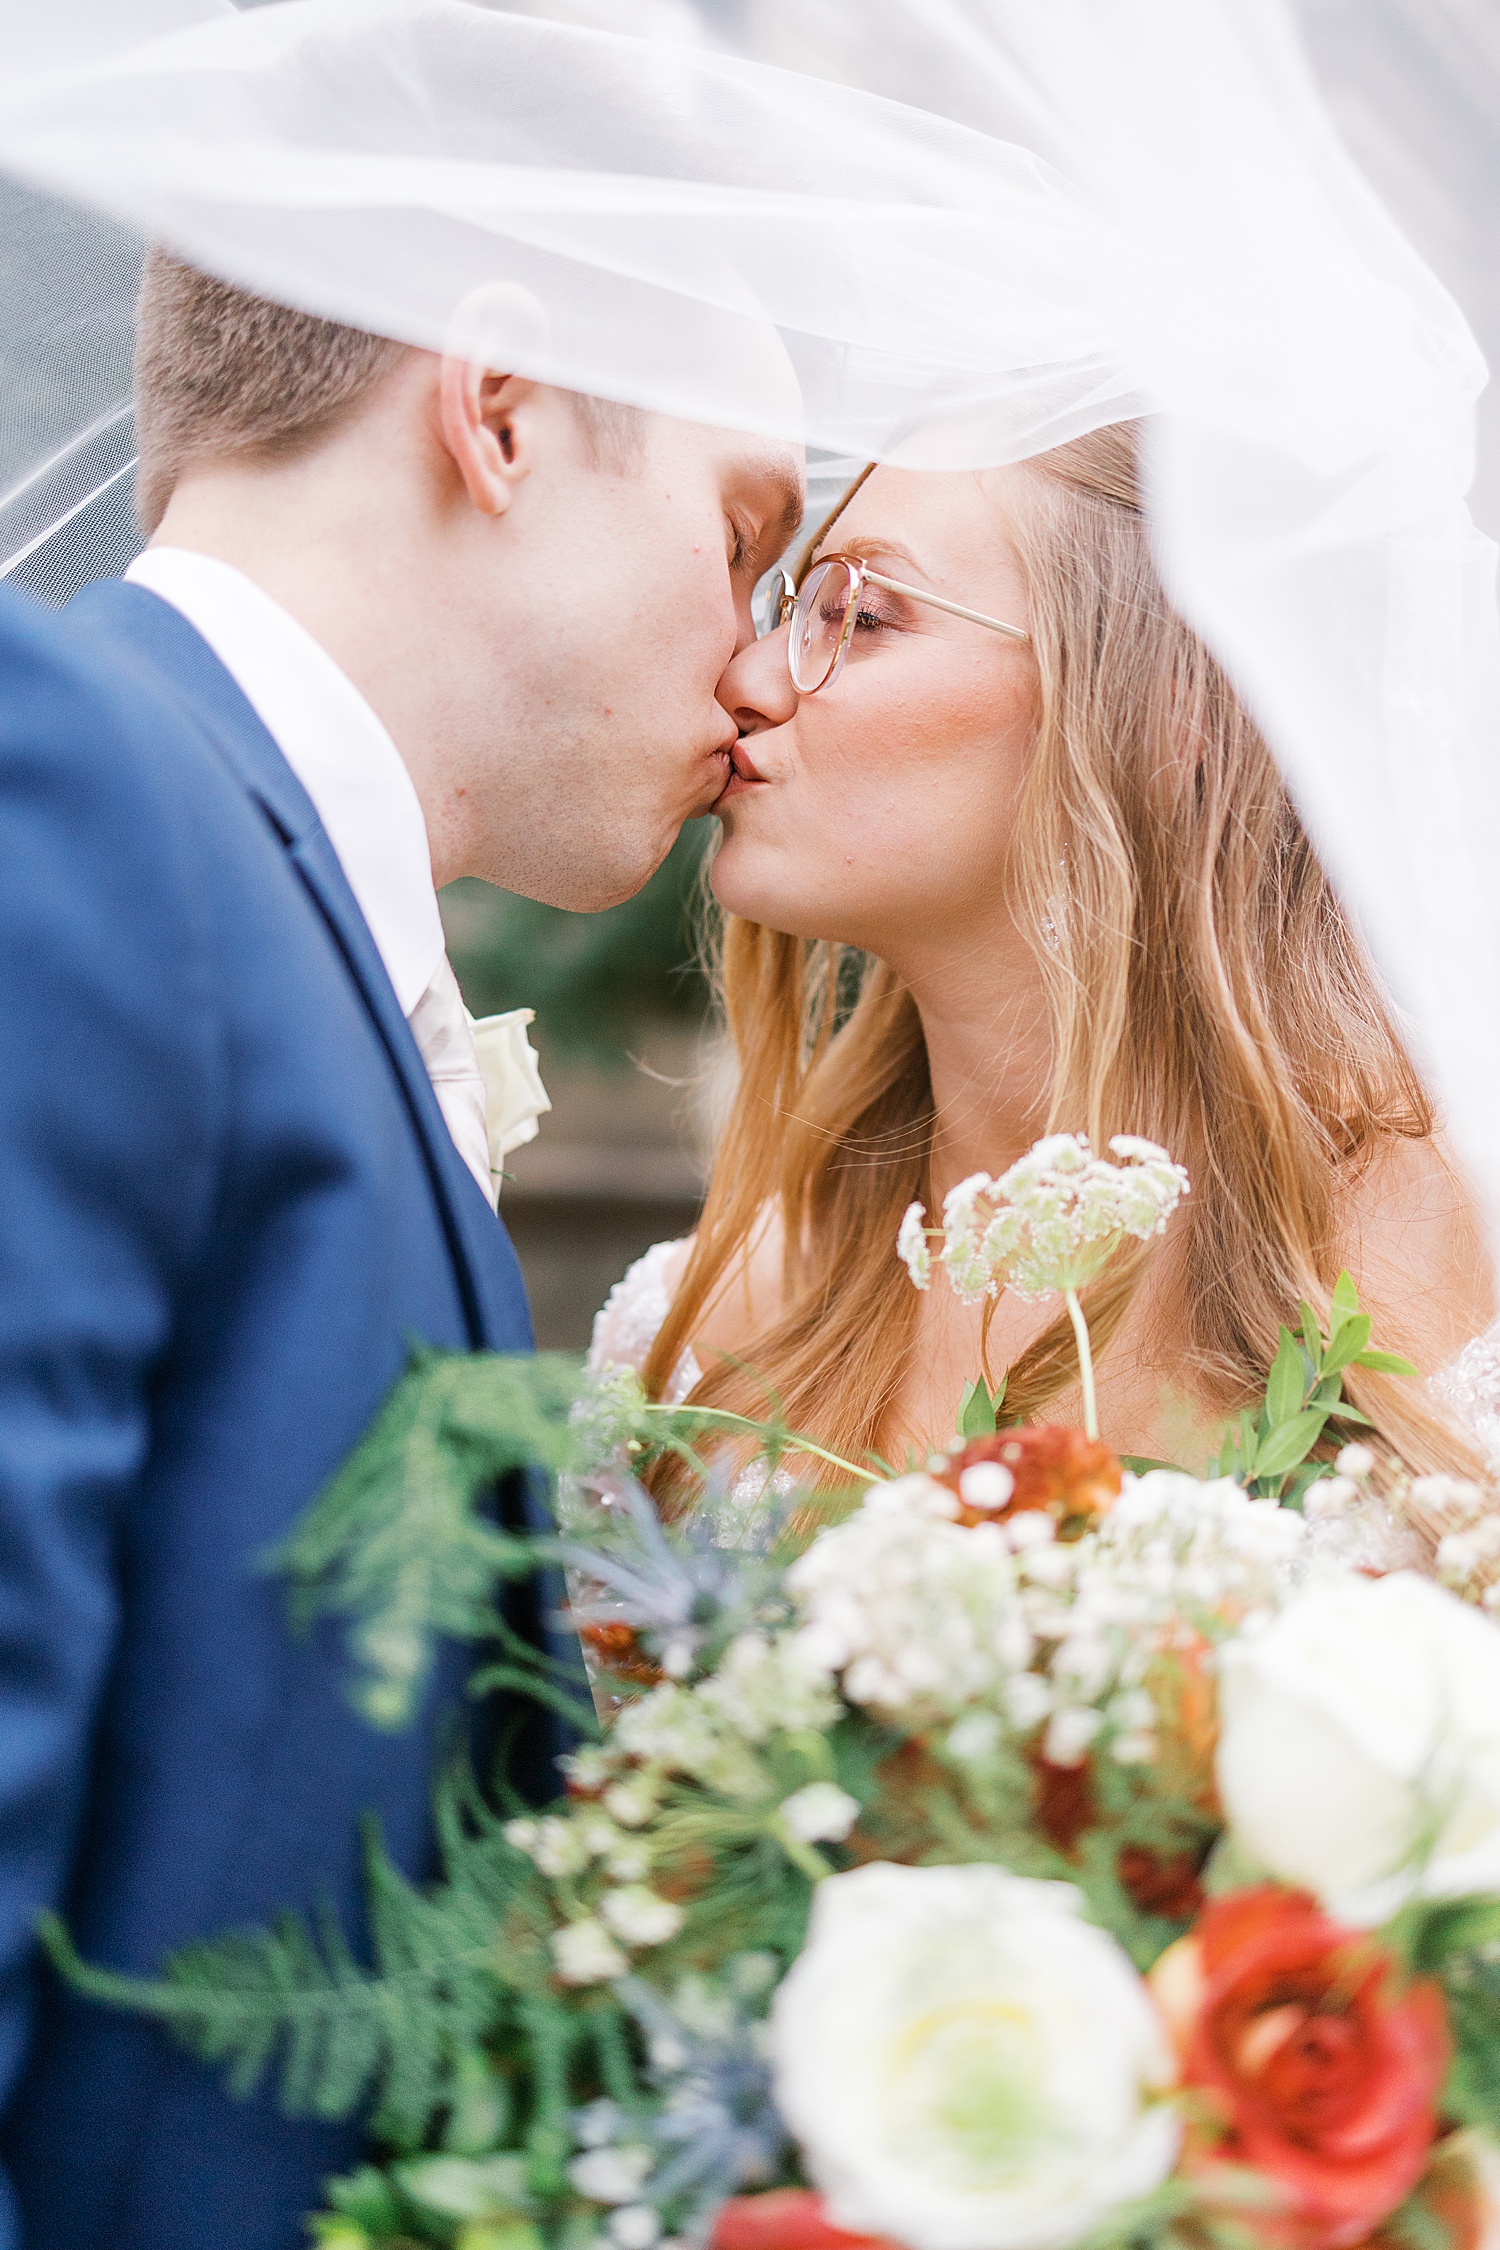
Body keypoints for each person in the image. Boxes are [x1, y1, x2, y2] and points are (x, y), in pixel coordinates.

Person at [0, 248, 802, 2247]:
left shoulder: (254, 889)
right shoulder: (80, 798)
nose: (766, 659)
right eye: (744, 533)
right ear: (503, 402)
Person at [591, 424, 1497, 1508]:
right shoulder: (706, 1329)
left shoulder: (1468, 1246)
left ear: (1169, 709)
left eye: (861, 615)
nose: (745, 675)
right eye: (793, 610)